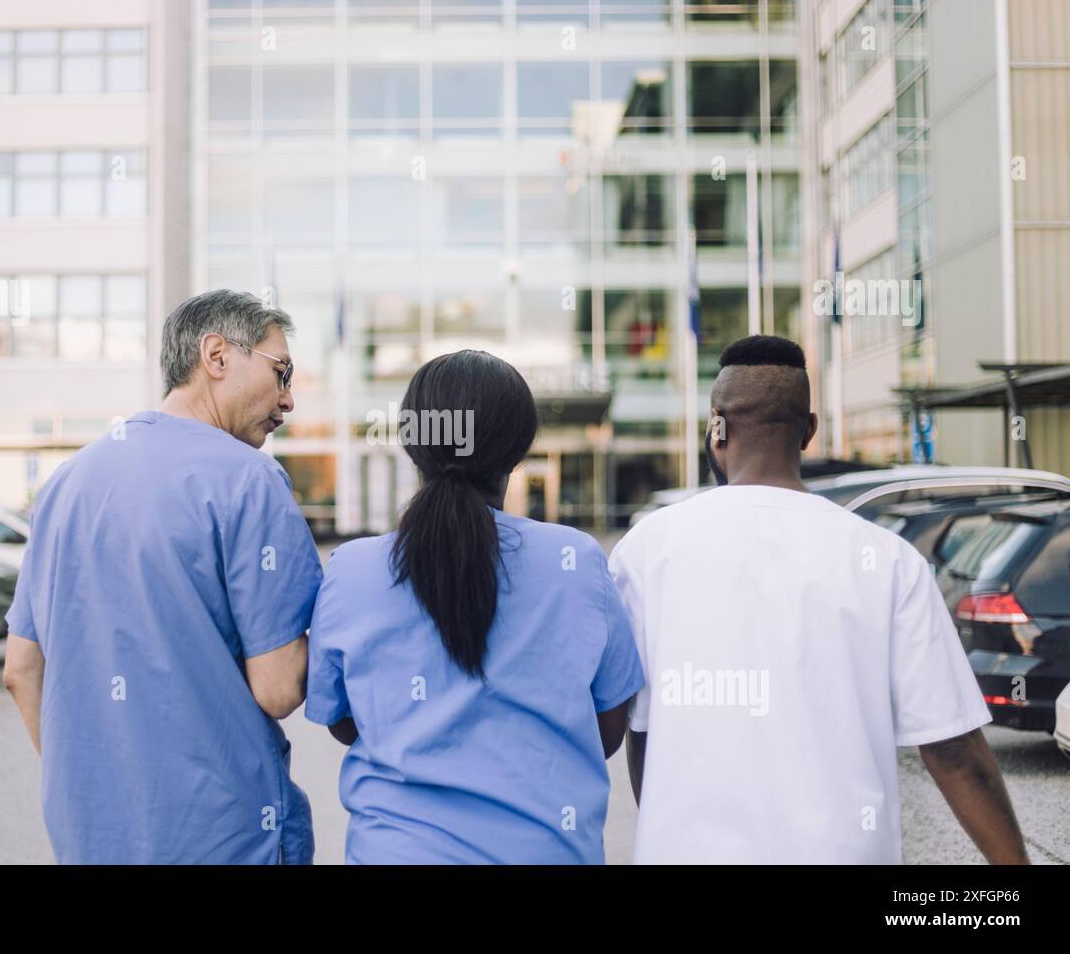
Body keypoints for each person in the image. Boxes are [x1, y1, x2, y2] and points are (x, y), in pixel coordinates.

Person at [609, 334, 1029, 864]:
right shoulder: (889, 560)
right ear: (809, 431)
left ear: (717, 428)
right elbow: (953, 751)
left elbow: (637, 727)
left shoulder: (645, 551)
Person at [2, 289, 323, 864]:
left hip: (91, 837)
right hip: (225, 834)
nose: (289, 399)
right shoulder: (249, 481)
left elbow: (21, 669)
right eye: (281, 373)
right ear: (217, 356)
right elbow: (278, 689)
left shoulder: (66, 483)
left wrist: (86, 792)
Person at [305, 350, 643, 864]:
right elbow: (608, 727)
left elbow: (341, 718)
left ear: (411, 441)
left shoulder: (351, 570)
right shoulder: (575, 561)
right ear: (519, 449)